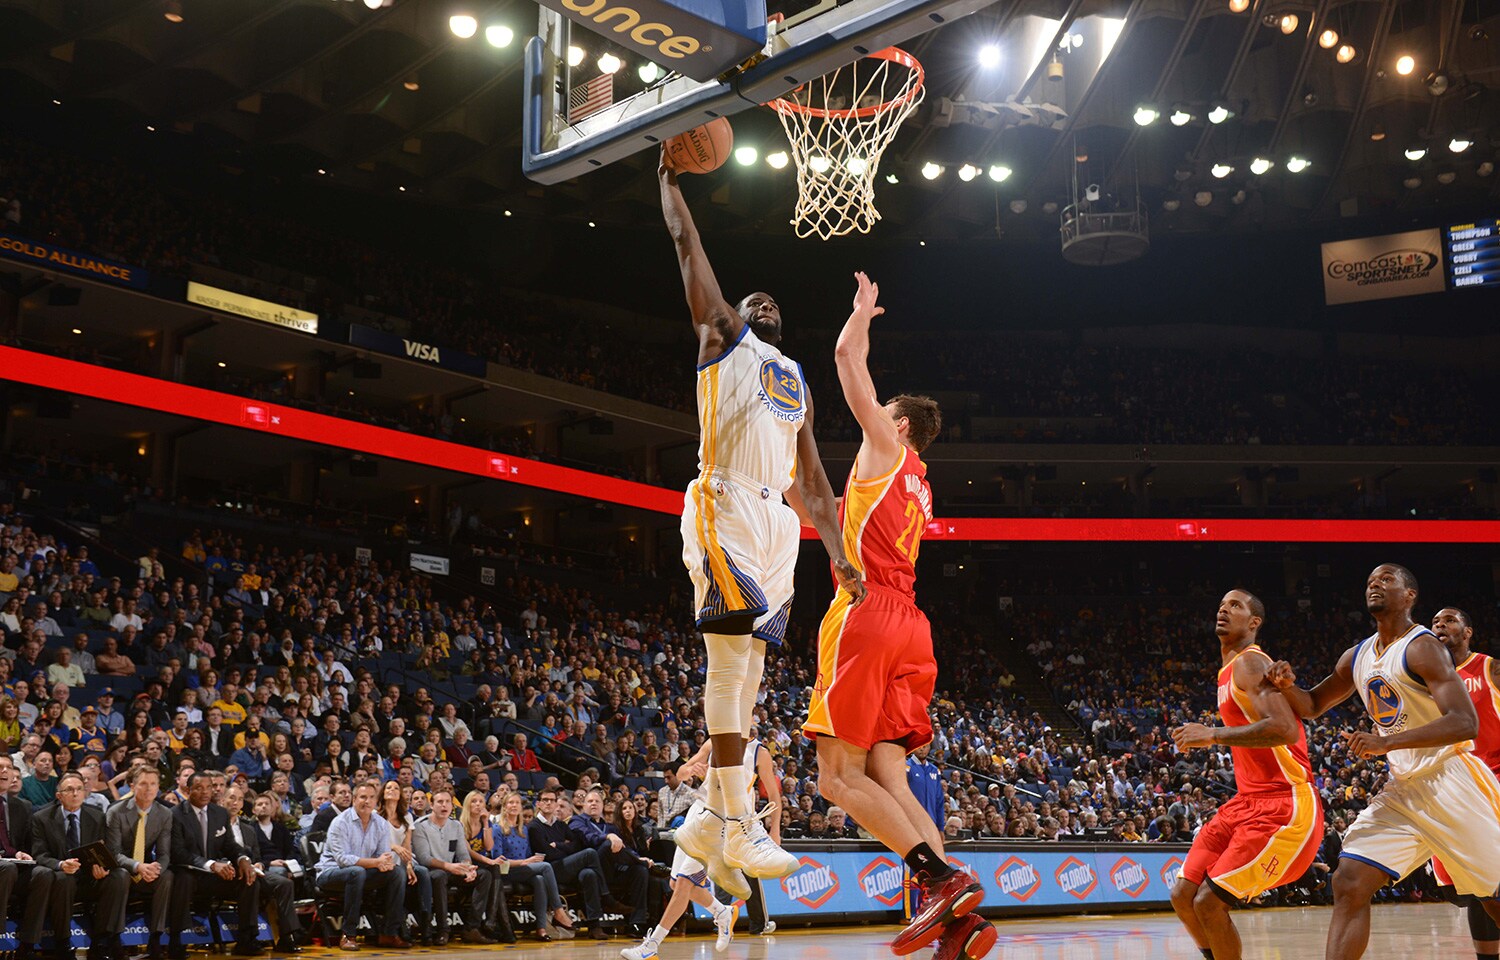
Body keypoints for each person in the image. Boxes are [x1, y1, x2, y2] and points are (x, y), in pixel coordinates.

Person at [659, 144, 863, 889]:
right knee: (726, 659)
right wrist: (667, 182)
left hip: (780, 521)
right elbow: (688, 245)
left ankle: (711, 819)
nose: (765, 304)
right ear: (731, 317)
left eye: (774, 304)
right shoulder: (722, 340)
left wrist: (838, 550)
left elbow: (812, 476)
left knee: (748, 671)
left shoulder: (796, 377)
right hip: (724, 496)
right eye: (754, 303)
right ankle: (738, 823)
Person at [797, 272, 976, 957]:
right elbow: (820, 511)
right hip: (910, 625)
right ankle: (959, 919)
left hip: (866, 614)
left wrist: (861, 315)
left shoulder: (885, 448)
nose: (872, 414)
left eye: (883, 409)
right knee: (887, 774)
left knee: (835, 779)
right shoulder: (919, 485)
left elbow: (846, 362)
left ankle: (935, 877)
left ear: (898, 425)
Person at [1268, 564, 1500, 960]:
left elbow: (1465, 722)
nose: (1375, 584)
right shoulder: (1356, 655)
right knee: (1349, 881)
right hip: (1405, 790)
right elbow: (1311, 705)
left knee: (1492, 897)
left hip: (1453, 781)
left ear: (1410, 596)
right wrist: (1288, 687)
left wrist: (1385, 741)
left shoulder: (1423, 647)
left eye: (1387, 579)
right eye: (1370, 581)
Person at [1168, 590, 1324, 960]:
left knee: (1208, 902)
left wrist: (1213, 734)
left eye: (1235, 605)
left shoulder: (1250, 663)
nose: (1224, 608)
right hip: (1247, 802)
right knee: (1183, 895)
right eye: (1222, 603)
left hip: (1285, 805)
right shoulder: (1229, 668)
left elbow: (1285, 729)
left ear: (1254, 623)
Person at [1429, 606, 1500, 960]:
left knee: (1488, 883)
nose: (1440, 625)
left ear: (1468, 631)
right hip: (1455, 787)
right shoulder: (1425, 682)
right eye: (1435, 623)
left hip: (1495, 779)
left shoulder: (1489, 667)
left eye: (1449, 620)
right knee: (1463, 890)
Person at [33, 771, 131, 960]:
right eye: (69, 790)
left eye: (79, 789)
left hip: (90, 878)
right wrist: (60, 864)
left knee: (120, 876)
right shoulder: (42, 818)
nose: (75, 793)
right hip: (62, 878)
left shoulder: (97, 816)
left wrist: (102, 867)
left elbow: (105, 850)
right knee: (64, 879)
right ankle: (62, 942)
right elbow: (39, 855)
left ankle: (101, 941)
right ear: (59, 795)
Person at [167, 771, 263, 959]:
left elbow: (229, 845)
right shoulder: (175, 814)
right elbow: (178, 853)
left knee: (249, 879)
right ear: (188, 790)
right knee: (183, 879)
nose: (205, 792)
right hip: (189, 872)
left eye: (209, 787)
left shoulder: (219, 813)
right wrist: (211, 864)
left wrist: (243, 859)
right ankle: (177, 941)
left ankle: (247, 939)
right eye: (199, 788)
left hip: (214, 875)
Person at [314, 781, 410, 951]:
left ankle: (389, 933)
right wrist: (376, 863)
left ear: (376, 801)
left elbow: (383, 855)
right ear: (354, 799)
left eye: (372, 798)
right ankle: (348, 934)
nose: (367, 801)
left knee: (398, 873)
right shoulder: (340, 822)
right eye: (363, 797)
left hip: (363, 873)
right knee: (356, 872)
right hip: (330, 873)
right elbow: (343, 860)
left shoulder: (380, 823)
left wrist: (386, 864)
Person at [221, 784, 304, 953]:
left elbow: (257, 857)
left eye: (239, 799)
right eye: (231, 798)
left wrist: (260, 864)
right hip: (229, 873)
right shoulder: (216, 826)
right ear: (222, 801)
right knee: (252, 883)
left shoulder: (248, 829)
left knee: (284, 883)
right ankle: (247, 939)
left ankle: (287, 937)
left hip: (252, 871)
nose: (235, 803)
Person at [105, 766, 175, 959]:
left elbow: (164, 853)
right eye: (143, 783)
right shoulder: (116, 811)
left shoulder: (165, 814)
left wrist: (155, 869)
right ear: (132, 786)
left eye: (153, 784)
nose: (149, 788)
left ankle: (156, 938)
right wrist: (137, 866)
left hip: (147, 868)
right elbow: (113, 853)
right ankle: (114, 939)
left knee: (167, 876)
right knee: (120, 876)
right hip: (121, 868)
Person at [412, 790, 496, 945]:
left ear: (452, 805)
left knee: (484, 875)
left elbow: (463, 854)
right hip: (431, 872)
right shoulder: (420, 826)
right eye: (440, 802)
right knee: (439, 876)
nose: (444, 805)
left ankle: (472, 927)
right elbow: (424, 859)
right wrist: (450, 867)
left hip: (453, 870)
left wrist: (468, 868)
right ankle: (443, 930)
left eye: (447, 802)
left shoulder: (456, 825)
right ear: (431, 805)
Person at [528, 787, 610, 940]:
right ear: (538, 803)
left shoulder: (560, 825)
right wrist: (565, 847)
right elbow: (546, 854)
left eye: (552, 800)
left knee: (589, 873)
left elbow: (576, 845)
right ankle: (606, 896)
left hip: (565, 866)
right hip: (549, 871)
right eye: (545, 800)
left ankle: (594, 926)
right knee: (590, 853)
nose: (549, 803)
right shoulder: (534, 827)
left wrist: (558, 845)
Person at [493, 791, 575, 941]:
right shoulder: (497, 829)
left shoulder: (523, 829)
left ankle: (541, 928)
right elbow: (497, 860)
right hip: (506, 870)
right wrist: (523, 862)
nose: (514, 806)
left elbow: (529, 854)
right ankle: (558, 910)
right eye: (510, 803)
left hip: (524, 870)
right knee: (546, 867)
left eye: (517, 803)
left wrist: (532, 860)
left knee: (539, 879)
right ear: (504, 807)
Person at [456, 789, 517, 943]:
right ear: (467, 805)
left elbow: (489, 847)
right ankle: (502, 928)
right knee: (492, 870)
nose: (477, 805)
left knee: (494, 871)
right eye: (474, 802)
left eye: (481, 802)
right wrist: (489, 861)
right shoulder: (460, 823)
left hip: (482, 863)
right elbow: (467, 851)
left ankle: (490, 921)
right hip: (465, 863)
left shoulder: (487, 822)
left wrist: (485, 822)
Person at [0, 763, 44, 960]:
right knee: (7, 868)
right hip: (5, 868)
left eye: (8, 767)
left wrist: (21, 853)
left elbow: (28, 844)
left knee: (44, 874)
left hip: (13, 865)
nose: (4, 771)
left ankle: (28, 943)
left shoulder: (23, 806)